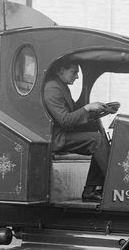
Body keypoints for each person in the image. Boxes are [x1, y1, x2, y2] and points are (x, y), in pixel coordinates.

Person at [42, 61, 119, 202]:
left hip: (64, 134)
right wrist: (88, 108)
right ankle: (116, 185)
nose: (77, 76)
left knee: (100, 139)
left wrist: (96, 110)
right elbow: (65, 120)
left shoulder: (61, 86)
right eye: (74, 72)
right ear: (61, 71)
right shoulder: (52, 88)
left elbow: (72, 113)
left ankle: (91, 190)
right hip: (57, 138)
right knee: (97, 140)